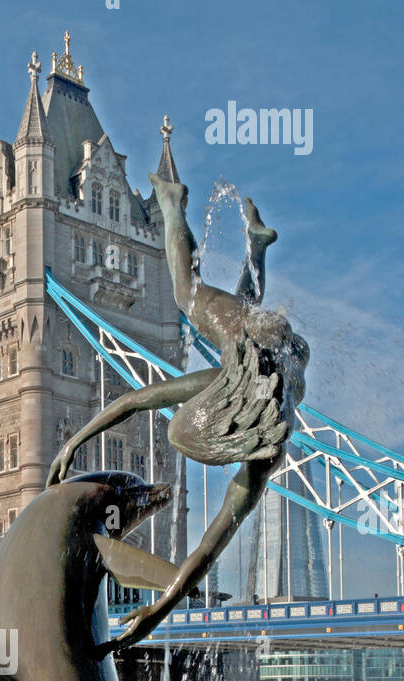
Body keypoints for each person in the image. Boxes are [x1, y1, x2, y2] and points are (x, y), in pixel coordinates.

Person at [47, 172, 309, 653]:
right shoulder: (240, 409)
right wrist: (73, 443)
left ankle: (193, 215)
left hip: (271, 344)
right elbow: (207, 552)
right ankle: (187, 213)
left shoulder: (237, 403)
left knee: (208, 298)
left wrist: (73, 440)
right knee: (190, 293)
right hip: (271, 351)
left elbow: (136, 400)